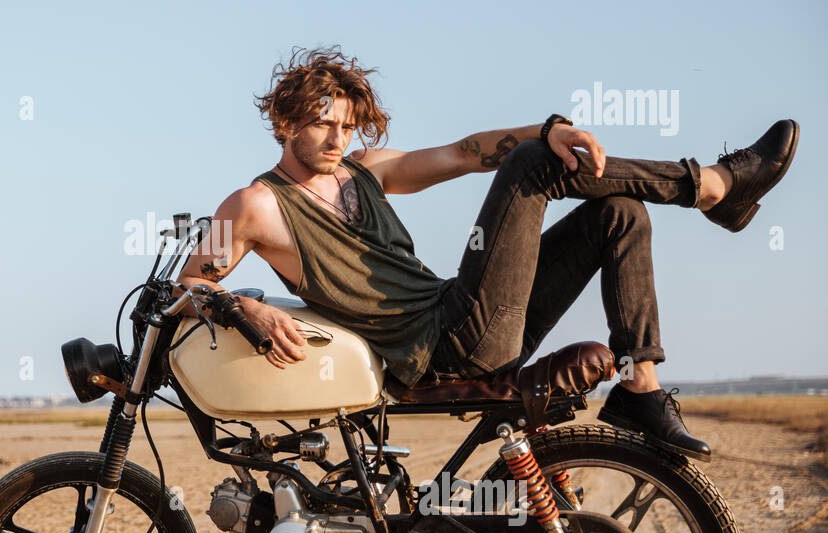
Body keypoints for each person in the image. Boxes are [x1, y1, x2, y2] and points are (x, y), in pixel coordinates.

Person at [176, 46, 799, 456]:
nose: (338, 137)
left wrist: (547, 130)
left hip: (475, 318)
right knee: (533, 168)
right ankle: (710, 186)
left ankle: (641, 390)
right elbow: (186, 287)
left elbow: (463, 153)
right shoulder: (255, 205)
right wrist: (244, 309)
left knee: (618, 213)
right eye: (321, 123)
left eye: (346, 124)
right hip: (441, 346)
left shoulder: (363, 170)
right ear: (285, 123)